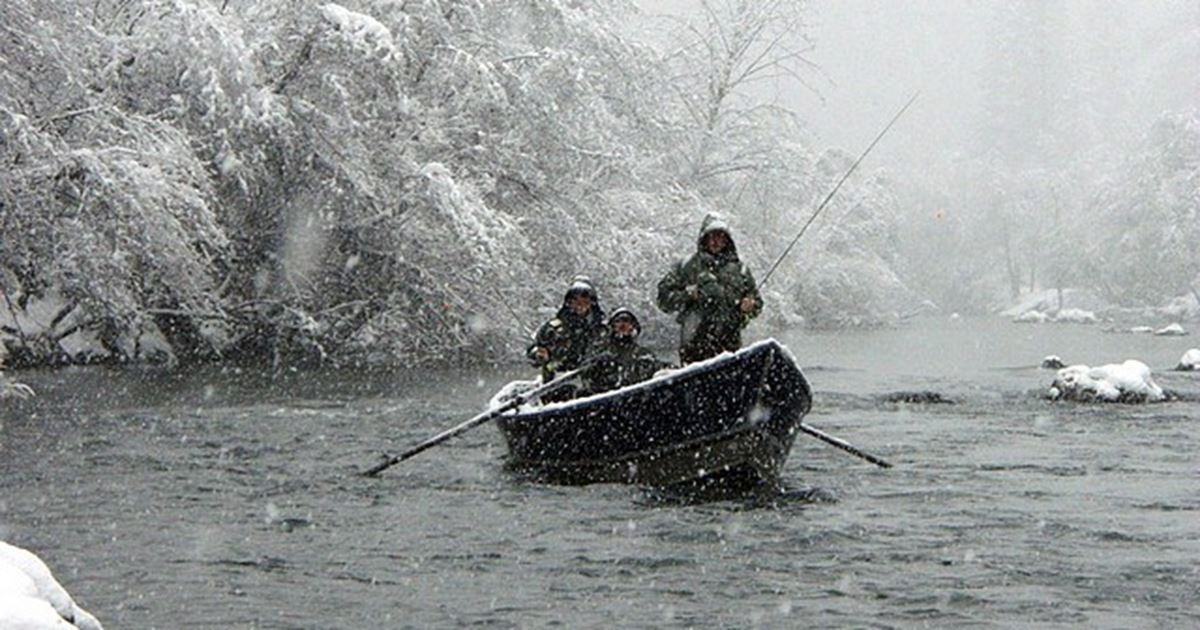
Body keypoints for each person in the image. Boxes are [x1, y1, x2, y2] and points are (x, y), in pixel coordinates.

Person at [656, 214, 762, 363]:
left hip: (730, 346)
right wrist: (687, 295)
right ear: (703, 239)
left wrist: (750, 305)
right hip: (694, 348)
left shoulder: (741, 270)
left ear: (727, 240)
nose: (715, 241)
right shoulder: (687, 266)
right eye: (711, 237)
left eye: (720, 237)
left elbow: (757, 302)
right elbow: (663, 299)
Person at [527, 277, 606, 387]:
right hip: (556, 388)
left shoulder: (603, 331)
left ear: (592, 303)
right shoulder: (553, 328)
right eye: (576, 301)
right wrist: (538, 354)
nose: (580, 305)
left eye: (585, 301)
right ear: (569, 302)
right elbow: (533, 352)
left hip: (595, 390)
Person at [580, 308, 668, 395]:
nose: (623, 324)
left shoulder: (642, 353)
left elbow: (658, 369)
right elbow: (584, 372)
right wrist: (598, 366)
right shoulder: (600, 350)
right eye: (618, 321)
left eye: (626, 321)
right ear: (612, 326)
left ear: (632, 327)